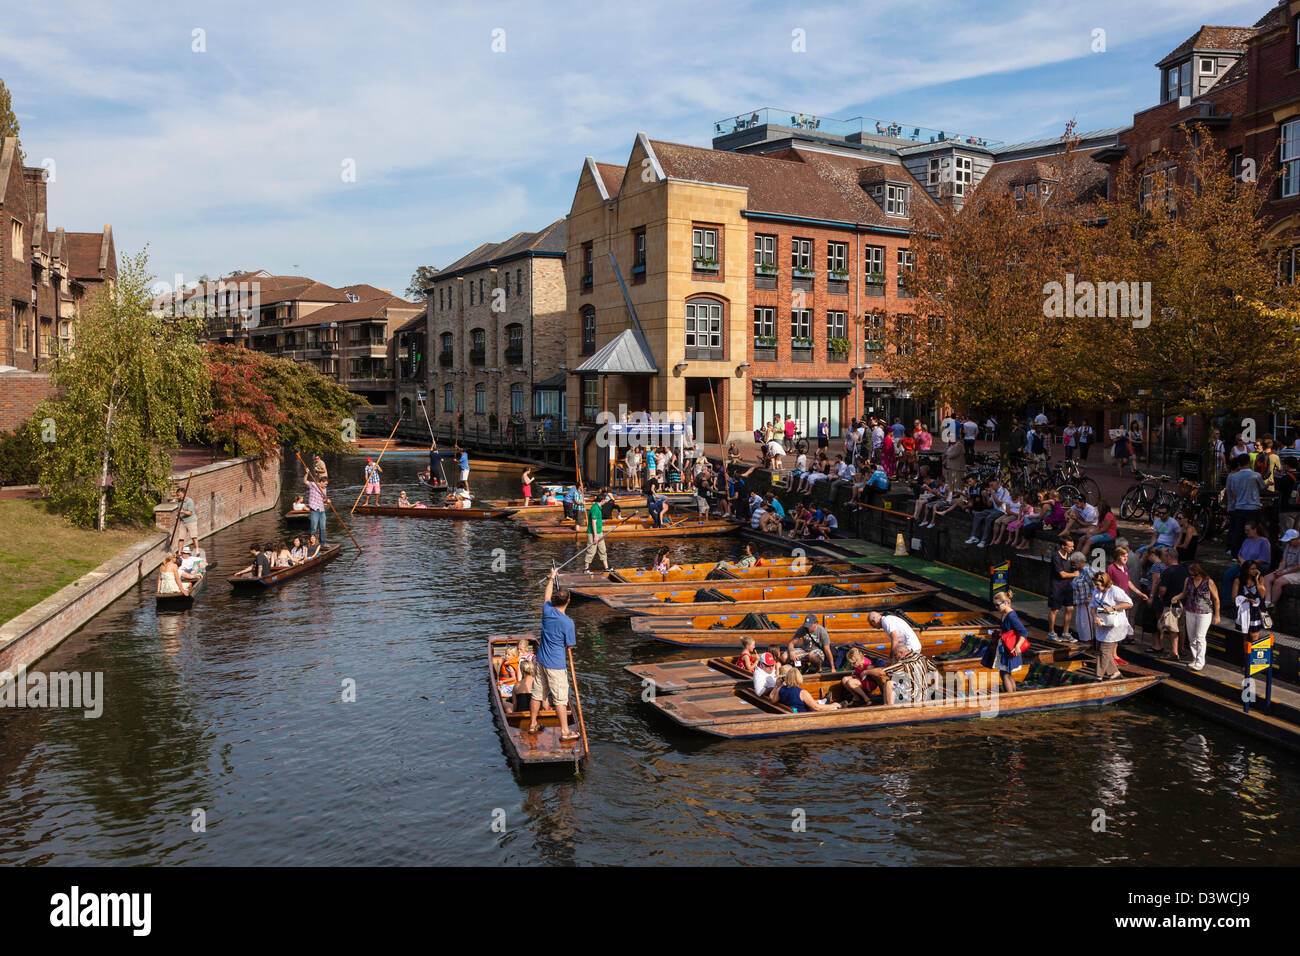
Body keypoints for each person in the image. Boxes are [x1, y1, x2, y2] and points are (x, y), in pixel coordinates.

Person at [529, 568, 580, 741]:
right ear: (568, 602)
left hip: (541, 661)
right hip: (556, 665)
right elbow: (570, 646)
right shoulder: (568, 622)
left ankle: (532, 724)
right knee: (560, 698)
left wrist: (551, 578)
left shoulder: (547, 611)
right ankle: (565, 732)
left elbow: (546, 596)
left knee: (537, 694)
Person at [861, 611, 934, 705]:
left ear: (874, 620)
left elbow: (895, 639)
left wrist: (891, 658)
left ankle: (891, 703)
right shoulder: (889, 619)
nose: (874, 627)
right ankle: (897, 695)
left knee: (892, 674)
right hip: (911, 648)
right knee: (898, 672)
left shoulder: (886, 621)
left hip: (910, 647)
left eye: (872, 625)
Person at [1169, 563, 1218, 672]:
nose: (1192, 577)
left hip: (1204, 613)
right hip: (1190, 611)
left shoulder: (1208, 582)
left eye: (1194, 575)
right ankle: (1195, 659)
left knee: (1200, 637)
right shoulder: (1188, 580)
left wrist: (1217, 615)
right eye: (1190, 575)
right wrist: (1176, 597)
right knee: (1192, 638)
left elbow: (1216, 599)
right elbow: (1184, 593)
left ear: (1199, 573)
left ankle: (1200, 662)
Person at [982, 590, 1030, 693]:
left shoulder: (1011, 615)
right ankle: (1013, 695)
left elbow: (1024, 632)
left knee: (1004, 674)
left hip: (1010, 647)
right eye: (995, 605)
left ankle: (1010, 697)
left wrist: (1018, 646)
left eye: (997, 605)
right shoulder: (1004, 613)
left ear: (1006, 603)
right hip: (1005, 647)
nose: (996, 608)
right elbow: (1008, 630)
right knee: (1007, 673)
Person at [1091, 572, 1133, 680]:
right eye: (1095, 585)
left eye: (1098, 585)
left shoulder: (1115, 591)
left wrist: (1113, 608)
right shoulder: (1096, 591)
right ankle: (1114, 672)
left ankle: (1098, 676)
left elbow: (1129, 603)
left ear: (1104, 583)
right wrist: (1095, 617)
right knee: (1102, 649)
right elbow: (1092, 607)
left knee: (1104, 650)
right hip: (1103, 624)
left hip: (1115, 625)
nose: (1096, 587)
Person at [1225, 454, 1265, 557]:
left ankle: (1236, 553)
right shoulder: (1256, 475)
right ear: (1249, 462)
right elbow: (1262, 487)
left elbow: (1233, 492)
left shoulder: (1234, 476)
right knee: (1254, 530)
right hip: (1253, 506)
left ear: (1239, 464)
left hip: (1239, 507)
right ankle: (1254, 553)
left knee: (1238, 531)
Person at [1223, 520, 1270, 603]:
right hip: (1243, 565)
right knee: (1228, 574)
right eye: (1245, 530)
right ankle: (1227, 600)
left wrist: (1248, 563)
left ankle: (1239, 600)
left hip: (1256, 566)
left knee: (1239, 576)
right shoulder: (1247, 540)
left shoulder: (1264, 541)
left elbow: (1264, 559)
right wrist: (1242, 562)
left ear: (1255, 530)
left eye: (1248, 530)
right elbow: (1240, 554)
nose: (1246, 532)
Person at [1155, 547, 1189, 660]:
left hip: (1171, 604)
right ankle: (1182, 648)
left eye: (1164, 557)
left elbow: (1162, 589)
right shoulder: (1185, 570)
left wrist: (1160, 596)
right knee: (1181, 628)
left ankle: (1174, 652)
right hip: (1183, 604)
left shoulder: (1167, 571)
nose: (1163, 559)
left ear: (1169, 557)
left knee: (1172, 629)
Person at [1232, 561, 1266, 672]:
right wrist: (1245, 599)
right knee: (1246, 637)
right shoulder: (1238, 581)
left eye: (1255, 568)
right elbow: (1234, 598)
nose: (1254, 571)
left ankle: (1253, 662)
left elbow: (1262, 595)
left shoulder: (1261, 579)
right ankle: (1246, 662)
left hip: (1256, 611)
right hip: (1244, 611)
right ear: (1246, 570)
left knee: (1254, 636)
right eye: (1251, 569)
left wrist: (1256, 580)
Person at [768, 666, 841, 713]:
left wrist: (777, 685)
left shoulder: (781, 689)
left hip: (793, 711)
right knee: (834, 707)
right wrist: (833, 705)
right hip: (805, 715)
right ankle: (827, 702)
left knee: (814, 702)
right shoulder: (802, 693)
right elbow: (816, 707)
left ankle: (823, 701)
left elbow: (772, 700)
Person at [1047, 537, 1079, 642]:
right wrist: (1074, 574)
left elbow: (1073, 567)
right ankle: (1051, 632)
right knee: (1055, 609)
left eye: (1073, 546)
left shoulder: (1069, 556)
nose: (1072, 548)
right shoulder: (1056, 556)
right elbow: (1062, 574)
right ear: (1063, 546)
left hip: (1067, 587)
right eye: (1070, 546)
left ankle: (1065, 633)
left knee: (1070, 608)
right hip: (1057, 587)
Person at [1070, 552, 1096, 646]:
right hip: (1080, 601)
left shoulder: (1088, 570)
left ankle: (1089, 642)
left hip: (1087, 602)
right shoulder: (1080, 571)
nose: (1073, 565)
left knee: (1086, 623)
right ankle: (1084, 640)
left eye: (1074, 563)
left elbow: (1095, 585)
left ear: (1080, 562)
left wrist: (1090, 597)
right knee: (1080, 622)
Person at [583, 489, 611, 572]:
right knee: (591, 551)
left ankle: (606, 568)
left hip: (599, 532)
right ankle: (586, 568)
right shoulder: (595, 508)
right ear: (602, 500)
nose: (606, 501)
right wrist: (595, 536)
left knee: (603, 550)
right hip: (592, 533)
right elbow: (593, 523)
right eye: (605, 500)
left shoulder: (599, 508)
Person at [304, 468, 329, 546]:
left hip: (322, 510)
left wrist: (327, 501)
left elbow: (324, 500)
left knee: (323, 528)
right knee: (313, 528)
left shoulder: (324, 489)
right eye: (325, 484)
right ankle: (312, 544)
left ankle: (323, 543)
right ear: (321, 482)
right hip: (314, 510)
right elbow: (305, 481)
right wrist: (307, 473)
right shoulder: (313, 485)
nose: (326, 485)